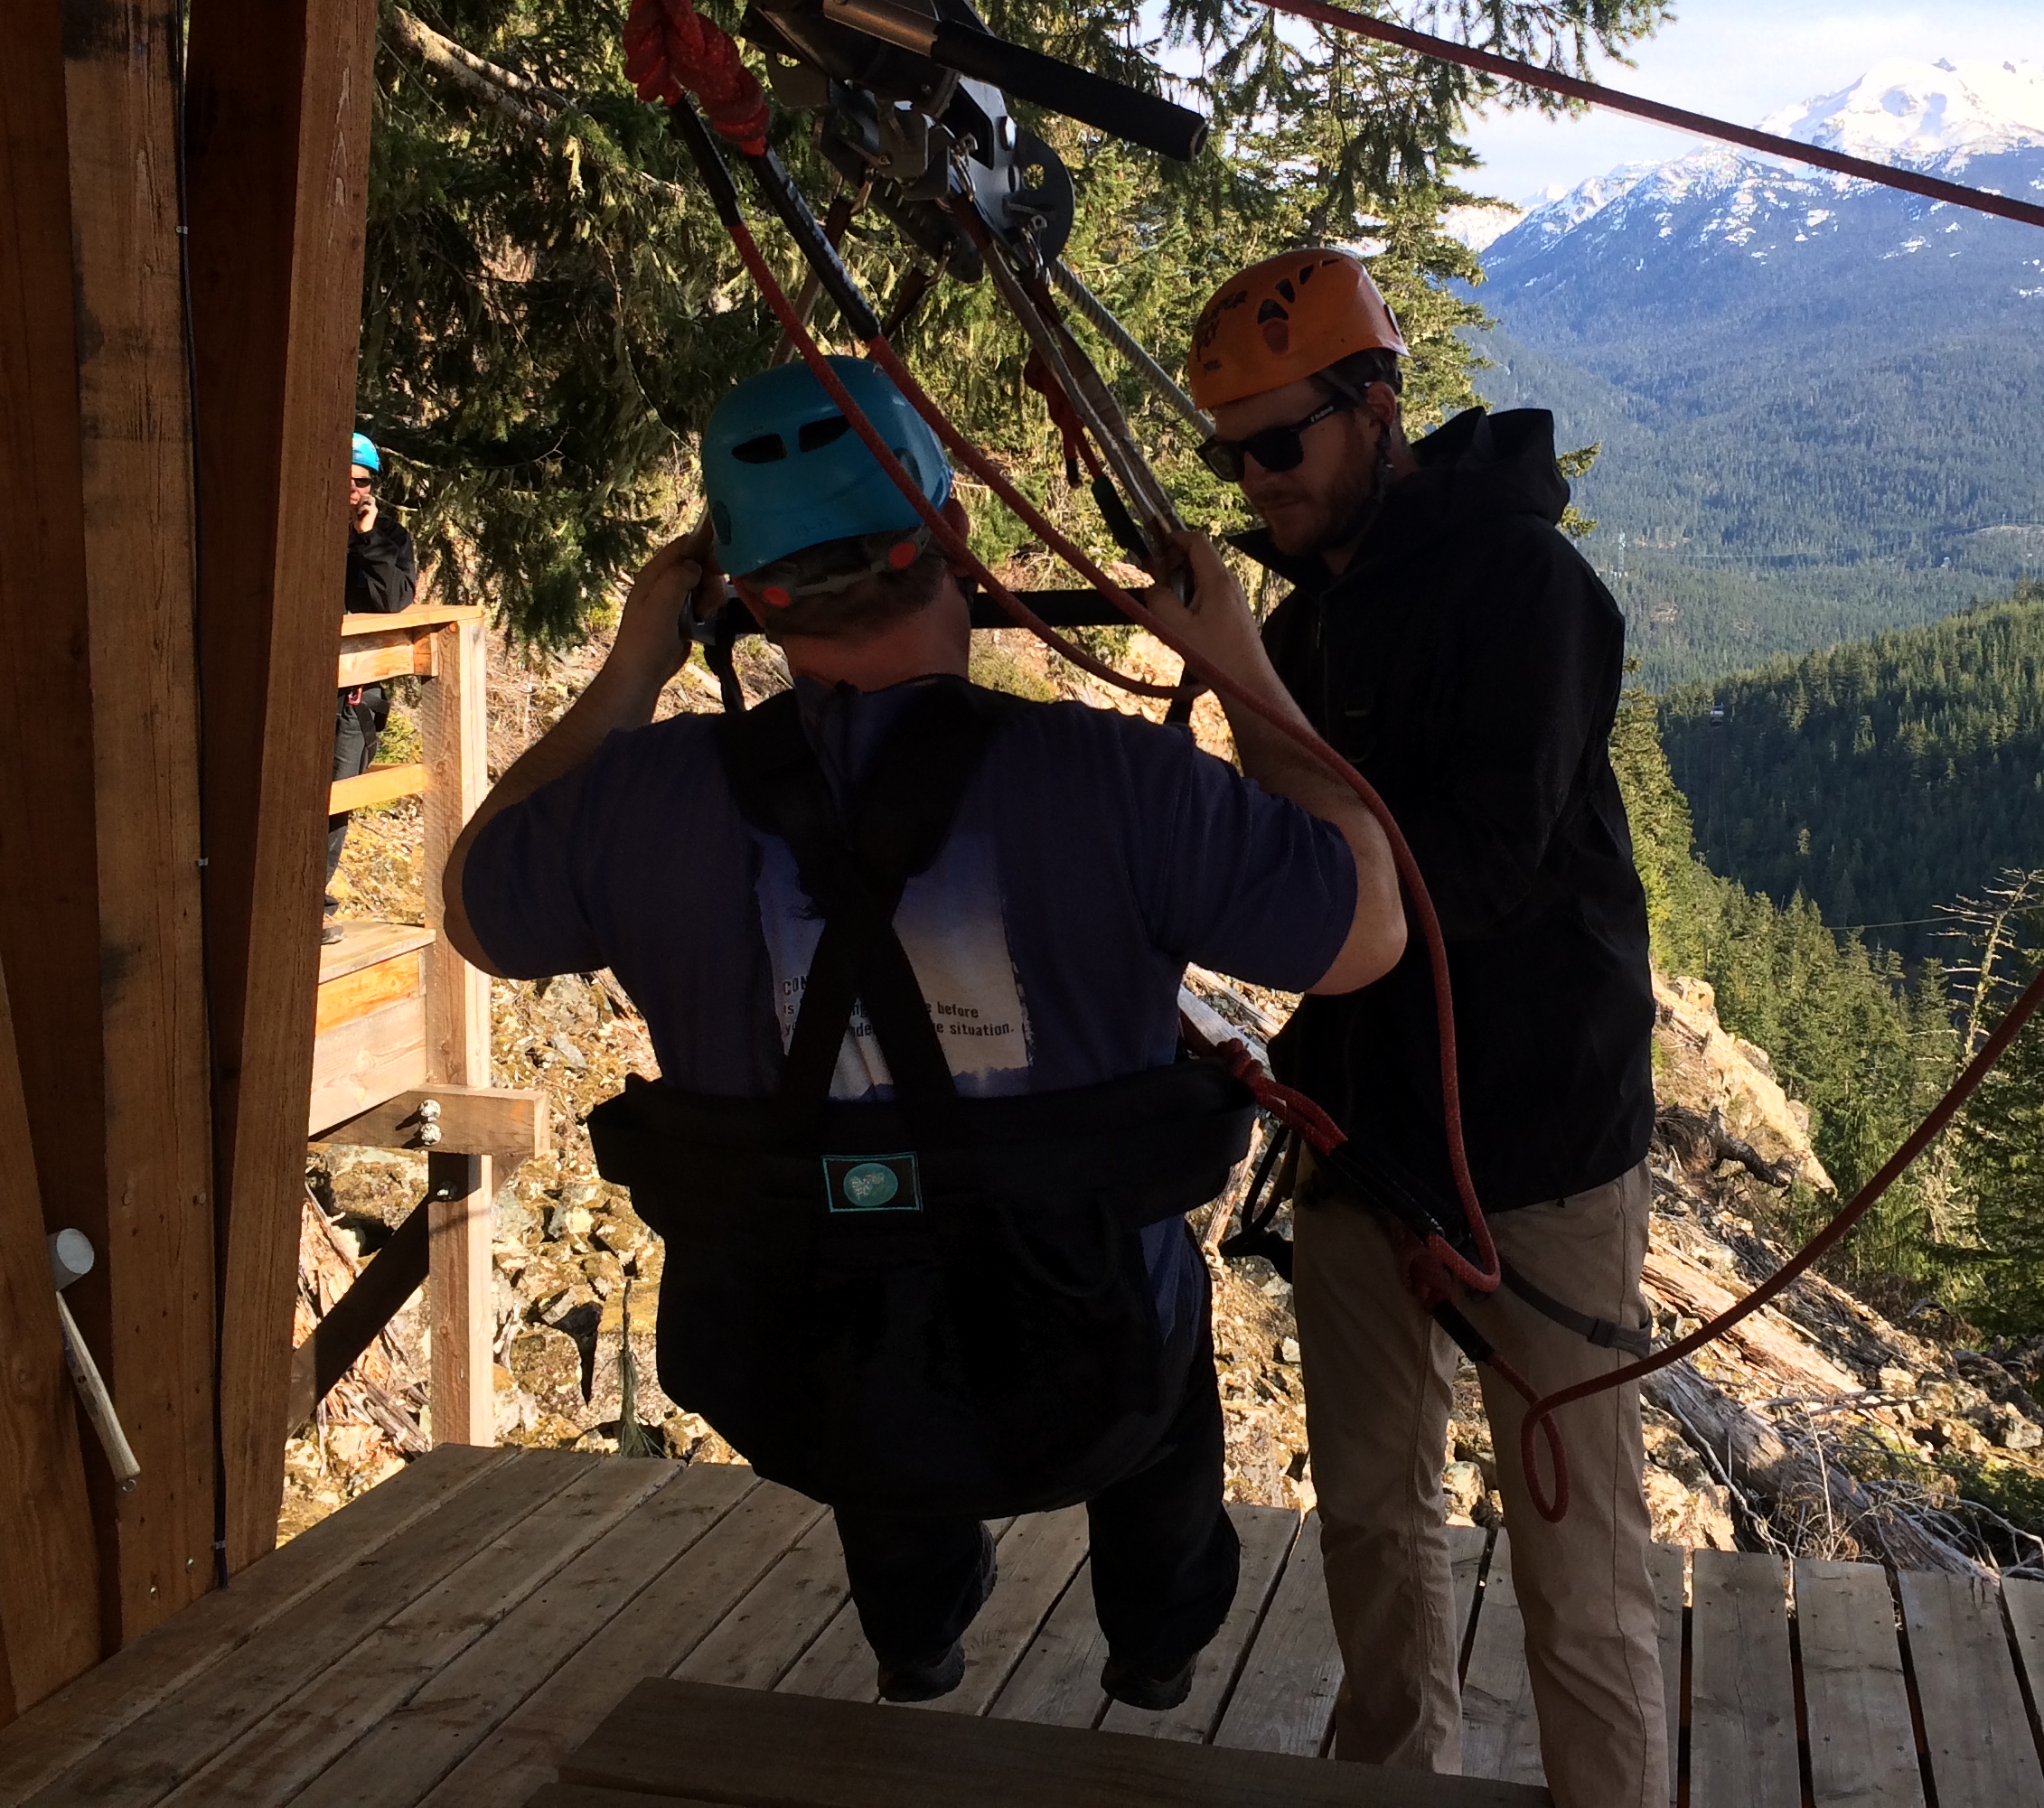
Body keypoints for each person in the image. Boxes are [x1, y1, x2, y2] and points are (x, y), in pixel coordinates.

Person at [440, 357, 1407, 1708]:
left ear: (747, 592)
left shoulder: (641, 804)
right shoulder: (1116, 786)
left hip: (801, 1375)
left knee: (859, 1264)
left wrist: (631, 668)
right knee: (1158, 1328)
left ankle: (918, 1635)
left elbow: (478, 906)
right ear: (949, 536)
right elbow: (1367, 926)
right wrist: (1239, 669)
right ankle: (1160, 1640)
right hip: (1092, 1371)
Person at [1188, 249, 1668, 1806]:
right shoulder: (1309, 617)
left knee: (1574, 1557)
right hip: (1360, 1121)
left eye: (1279, 443)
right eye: (1229, 454)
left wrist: (1247, 682)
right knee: (1369, 1530)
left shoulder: (1526, 590)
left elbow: (1453, 875)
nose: (1254, 482)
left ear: (1375, 408)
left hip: (1533, 1136)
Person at [328, 432, 420, 942]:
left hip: (358, 694)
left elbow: (390, 602)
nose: (350, 491)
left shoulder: (390, 537)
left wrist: (366, 537)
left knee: (338, 796)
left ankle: (313, 902)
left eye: (359, 481)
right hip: (303, 686)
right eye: (339, 479)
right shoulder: (303, 527)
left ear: (373, 486)